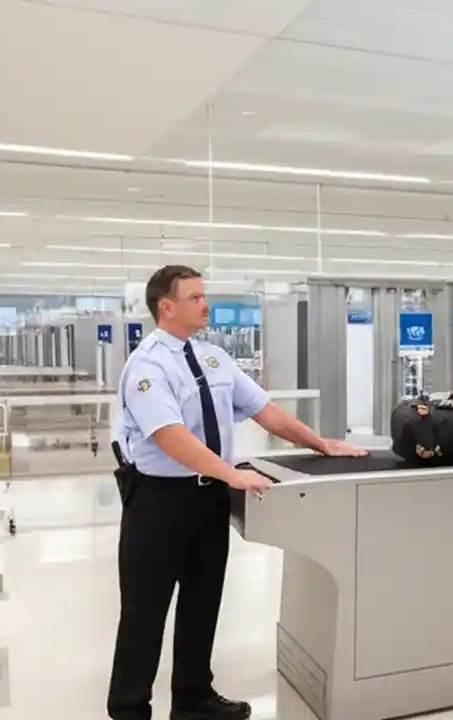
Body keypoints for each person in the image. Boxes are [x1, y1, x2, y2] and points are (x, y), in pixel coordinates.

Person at [107, 265, 365, 720]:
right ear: (166, 307)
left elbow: (267, 413)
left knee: (202, 602)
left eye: (204, 295)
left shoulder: (212, 358)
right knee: (145, 613)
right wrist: (230, 472)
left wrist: (320, 443)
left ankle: (193, 698)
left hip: (208, 501)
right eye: (194, 297)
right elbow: (169, 435)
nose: (205, 304)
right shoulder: (147, 366)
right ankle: (130, 710)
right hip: (158, 502)